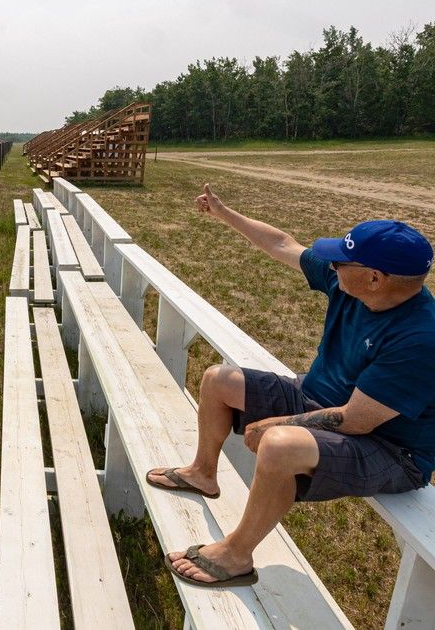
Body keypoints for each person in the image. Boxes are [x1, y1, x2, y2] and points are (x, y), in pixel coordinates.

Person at [147, 183, 435, 588]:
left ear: (374, 278)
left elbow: (357, 421)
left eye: (341, 262)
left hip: (390, 447)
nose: (331, 266)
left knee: (280, 443)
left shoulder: (420, 338)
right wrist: (224, 212)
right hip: (320, 395)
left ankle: (236, 555)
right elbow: (283, 243)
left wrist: (277, 424)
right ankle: (202, 473)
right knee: (218, 380)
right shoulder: (349, 284)